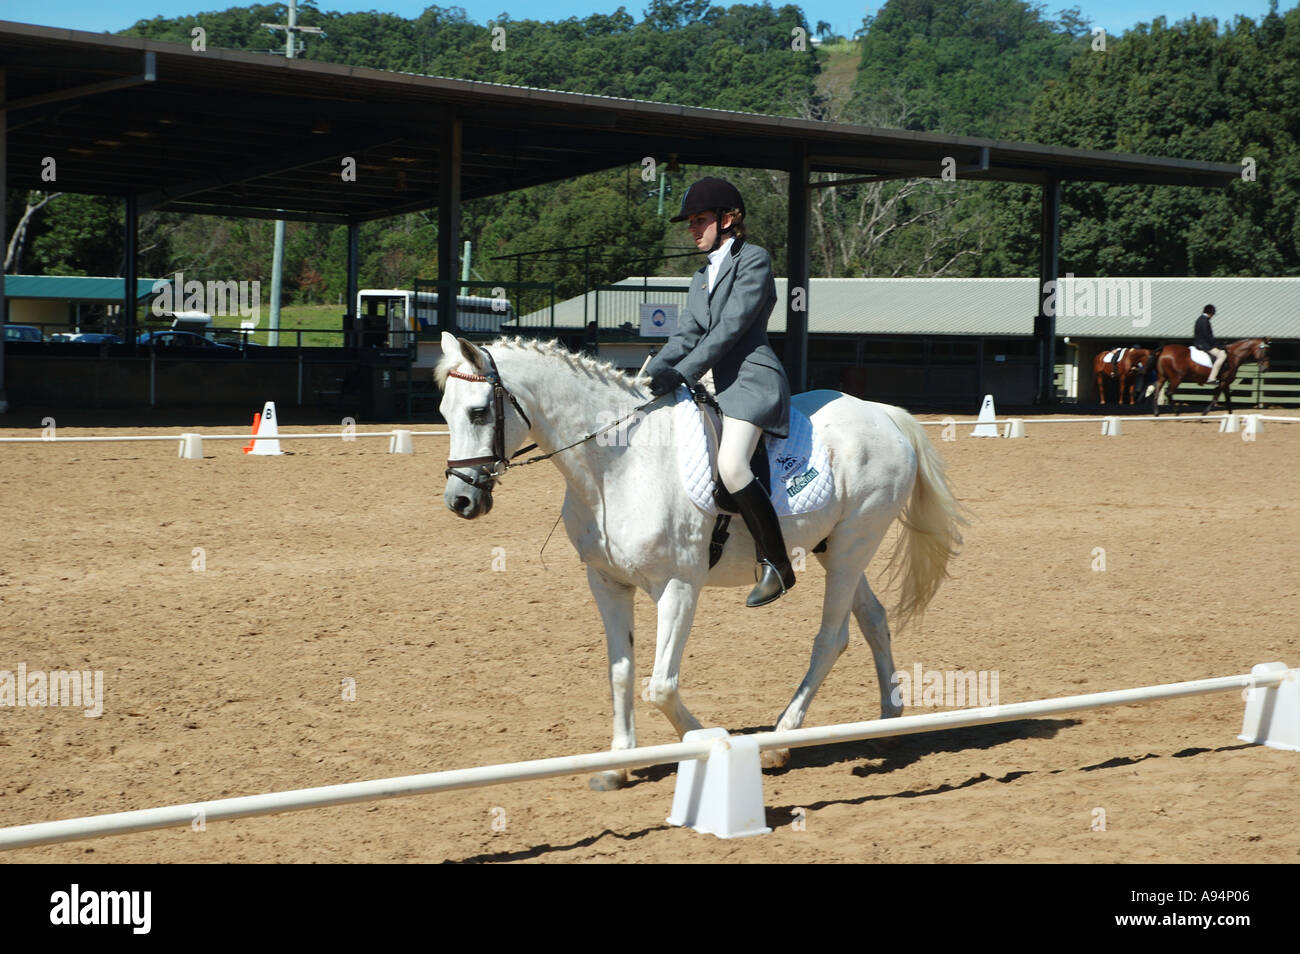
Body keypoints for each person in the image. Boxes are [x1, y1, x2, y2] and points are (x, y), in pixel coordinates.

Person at [643, 176, 794, 607]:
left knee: (730, 465)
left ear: (728, 220)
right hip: (712, 386)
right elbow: (686, 334)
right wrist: (651, 373)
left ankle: (778, 564)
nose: (693, 228)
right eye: (690, 221)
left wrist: (684, 373)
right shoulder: (699, 277)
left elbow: (730, 329)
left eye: (701, 220)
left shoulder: (755, 261)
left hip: (750, 381)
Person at [1194, 304, 1226, 385]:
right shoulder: (1205, 321)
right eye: (1213, 314)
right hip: (1204, 345)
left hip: (1200, 343)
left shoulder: (1199, 319)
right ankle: (1211, 378)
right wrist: (1219, 346)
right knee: (1222, 355)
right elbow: (1208, 336)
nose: (1212, 316)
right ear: (1211, 313)